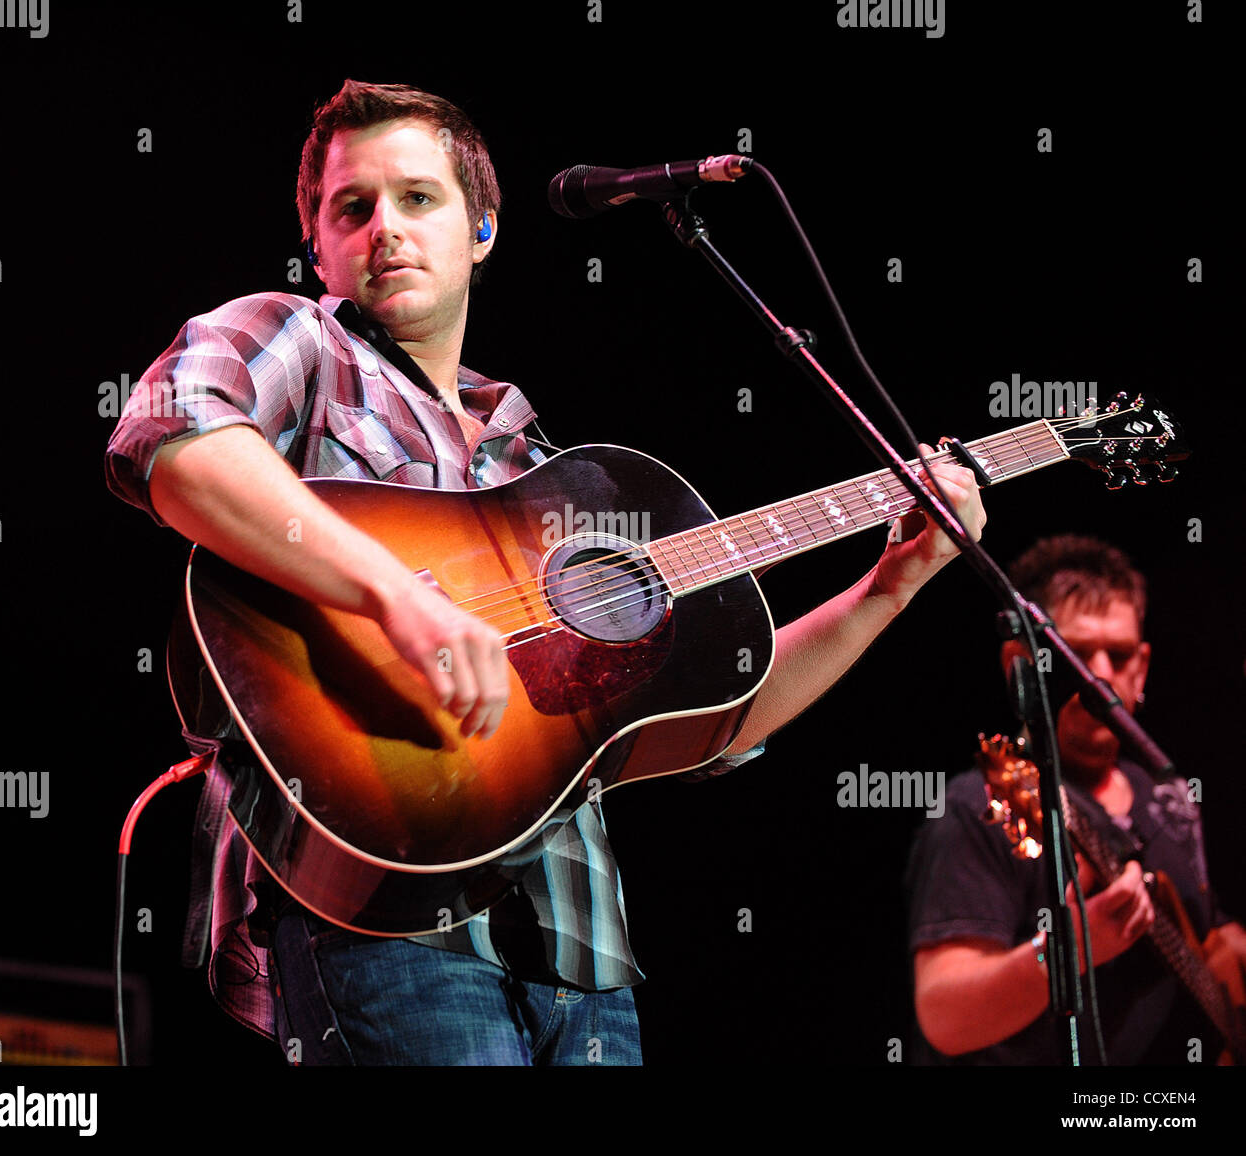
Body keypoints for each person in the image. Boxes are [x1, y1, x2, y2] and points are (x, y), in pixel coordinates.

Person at [106, 79, 986, 1065]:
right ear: (317, 246)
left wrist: (888, 590)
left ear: (482, 228)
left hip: (583, 960)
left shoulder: (545, 470)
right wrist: (396, 596)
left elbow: (719, 720)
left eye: (418, 198)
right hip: (387, 925)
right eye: (351, 209)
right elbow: (174, 437)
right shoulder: (302, 340)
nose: (384, 229)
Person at [906, 533, 1246, 1064]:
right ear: (1021, 664)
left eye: (1120, 653)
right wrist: (1070, 948)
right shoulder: (982, 803)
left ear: (1143, 665)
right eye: (1077, 654)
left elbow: (1206, 924)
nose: (1102, 675)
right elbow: (945, 1017)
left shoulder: (1170, 795)